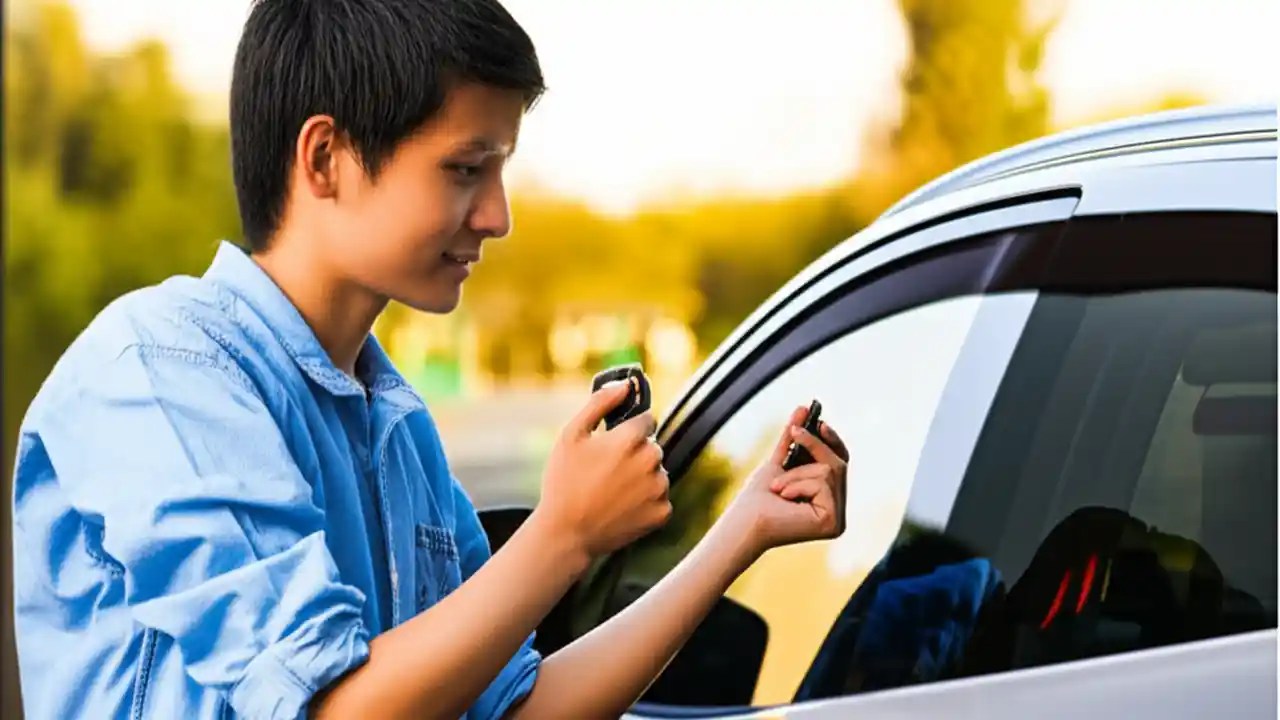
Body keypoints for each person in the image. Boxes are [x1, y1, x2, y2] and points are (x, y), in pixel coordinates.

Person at [9, 1, 850, 718]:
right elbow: (331, 708)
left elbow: (516, 707)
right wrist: (561, 534)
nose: (498, 214)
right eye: (464, 168)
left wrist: (744, 529)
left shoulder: (397, 424)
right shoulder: (158, 371)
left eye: (501, 170)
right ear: (325, 159)